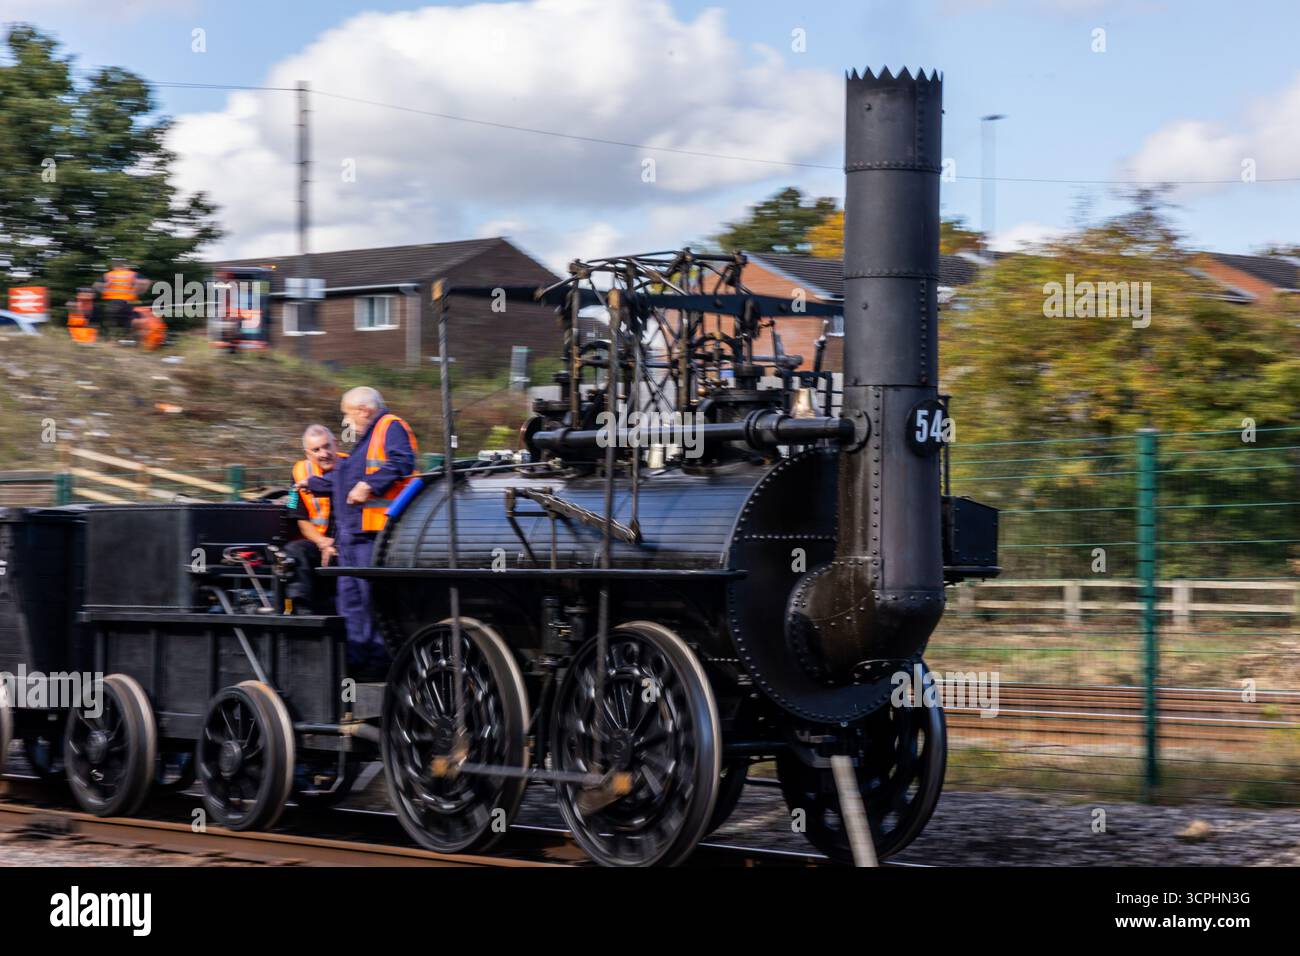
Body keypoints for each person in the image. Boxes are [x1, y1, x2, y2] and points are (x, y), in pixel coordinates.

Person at [299, 387, 417, 675]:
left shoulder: (391, 426)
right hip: (351, 537)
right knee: (350, 603)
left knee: (370, 602)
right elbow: (346, 479)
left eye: (347, 415)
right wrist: (314, 486)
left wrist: (370, 486)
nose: (346, 422)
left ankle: (380, 666)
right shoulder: (365, 440)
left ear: (363, 410)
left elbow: (402, 461)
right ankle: (356, 666)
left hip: (374, 533)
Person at [284, 425, 344, 614]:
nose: (324, 453)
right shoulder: (298, 473)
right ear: (307, 453)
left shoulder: (351, 467)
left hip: (348, 542)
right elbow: (297, 516)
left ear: (336, 444)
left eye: (327, 446)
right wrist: (322, 543)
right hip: (319, 543)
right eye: (316, 450)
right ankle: (298, 607)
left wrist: (336, 544)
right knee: (294, 551)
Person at [94, 258, 147, 334]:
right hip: (128, 303)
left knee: (111, 322)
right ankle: (128, 337)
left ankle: (111, 338)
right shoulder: (132, 274)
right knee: (130, 321)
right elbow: (145, 282)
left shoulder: (109, 275)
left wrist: (106, 287)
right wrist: (138, 291)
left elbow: (96, 286)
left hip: (113, 303)